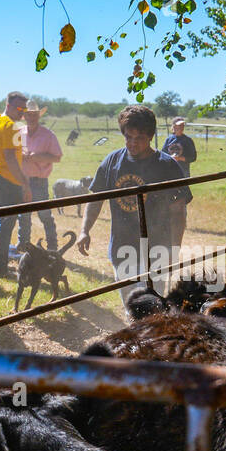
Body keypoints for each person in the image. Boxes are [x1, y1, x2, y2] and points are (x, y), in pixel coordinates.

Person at [79, 104, 191, 302]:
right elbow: (95, 199)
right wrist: (84, 230)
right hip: (122, 246)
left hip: (156, 248)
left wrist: (175, 247)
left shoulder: (166, 166)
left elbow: (178, 211)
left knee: (153, 304)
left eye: (139, 138)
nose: (132, 143)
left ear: (150, 136)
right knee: (130, 304)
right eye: (128, 137)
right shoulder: (112, 161)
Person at [0, 90, 31, 278]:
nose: (22, 112)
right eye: (19, 108)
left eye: (24, 109)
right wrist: (24, 183)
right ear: (8, 104)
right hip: (6, 179)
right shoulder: (11, 126)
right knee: (5, 224)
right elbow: (11, 159)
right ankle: (0, 269)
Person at [18, 99, 62, 252]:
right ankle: (23, 247)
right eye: (29, 115)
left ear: (38, 116)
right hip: (22, 180)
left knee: (44, 215)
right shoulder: (18, 133)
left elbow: (57, 157)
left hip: (39, 180)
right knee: (23, 216)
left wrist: (37, 157)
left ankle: (52, 247)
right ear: (24, 116)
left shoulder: (48, 135)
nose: (32, 117)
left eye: (34, 115)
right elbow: (12, 155)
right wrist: (21, 155)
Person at [162, 116, 197, 249]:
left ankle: (182, 220)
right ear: (174, 126)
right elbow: (162, 154)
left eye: (182, 125)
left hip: (183, 172)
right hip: (169, 172)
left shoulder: (187, 141)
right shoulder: (169, 140)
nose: (180, 127)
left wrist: (181, 158)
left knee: (183, 196)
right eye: (178, 125)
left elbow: (193, 157)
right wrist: (169, 159)